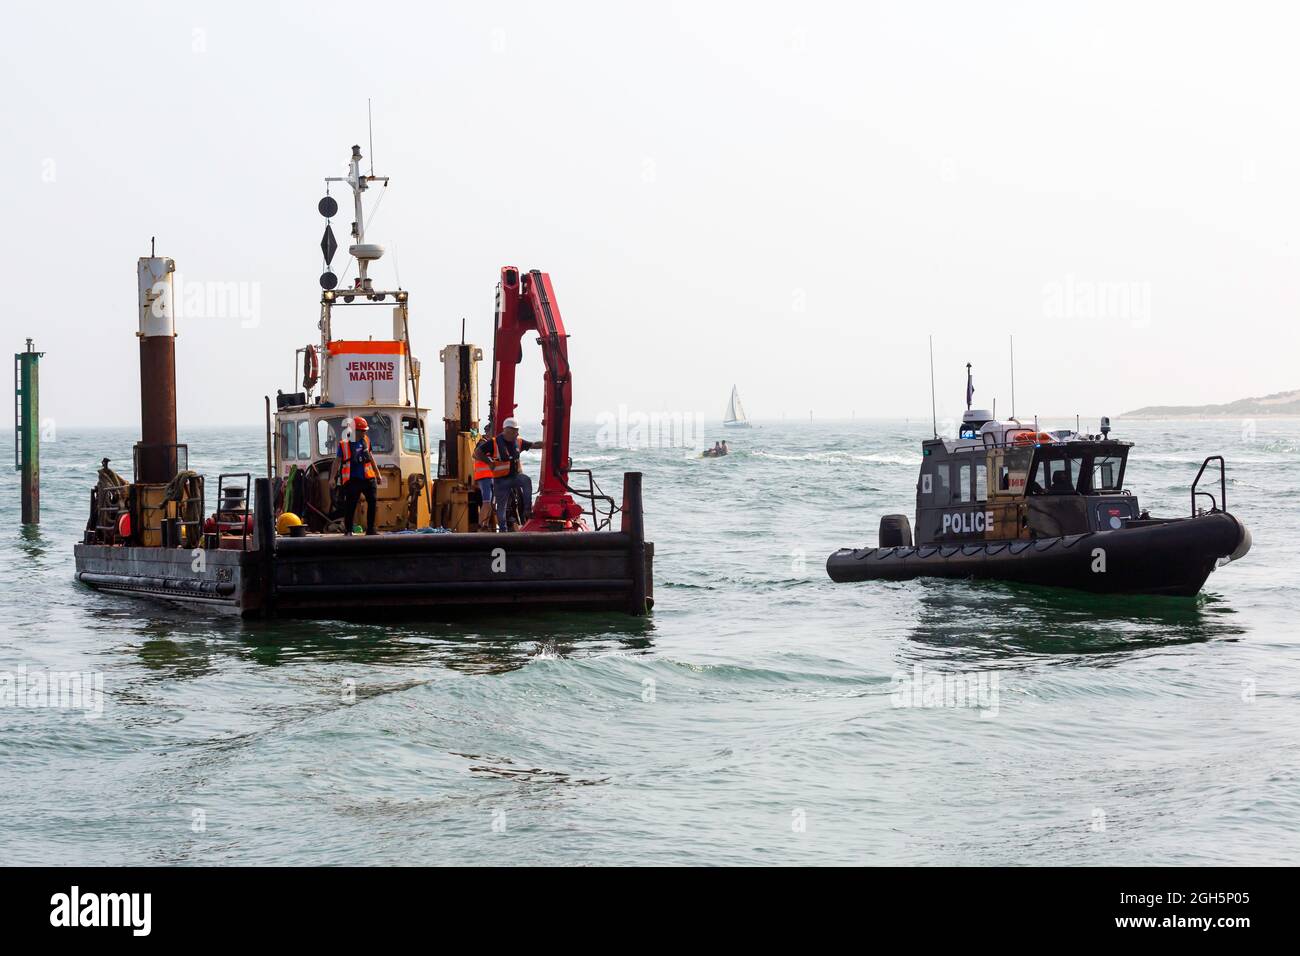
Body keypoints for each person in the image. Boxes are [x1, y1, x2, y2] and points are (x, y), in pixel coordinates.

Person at [472, 417, 537, 531]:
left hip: (512, 477)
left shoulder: (518, 441)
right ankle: (498, 528)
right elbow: (476, 453)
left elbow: (533, 445)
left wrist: (548, 442)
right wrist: (489, 462)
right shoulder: (491, 442)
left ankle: (527, 509)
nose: (517, 433)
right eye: (515, 431)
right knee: (495, 504)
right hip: (496, 479)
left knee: (526, 480)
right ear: (507, 430)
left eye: (517, 430)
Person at [337, 416, 379, 535]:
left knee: (373, 501)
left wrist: (377, 474)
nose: (365, 432)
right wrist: (331, 479)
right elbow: (337, 461)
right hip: (352, 479)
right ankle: (348, 530)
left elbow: (370, 457)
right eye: (362, 430)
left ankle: (371, 529)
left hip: (368, 478)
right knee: (350, 505)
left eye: (365, 430)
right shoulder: (343, 444)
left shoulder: (366, 440)